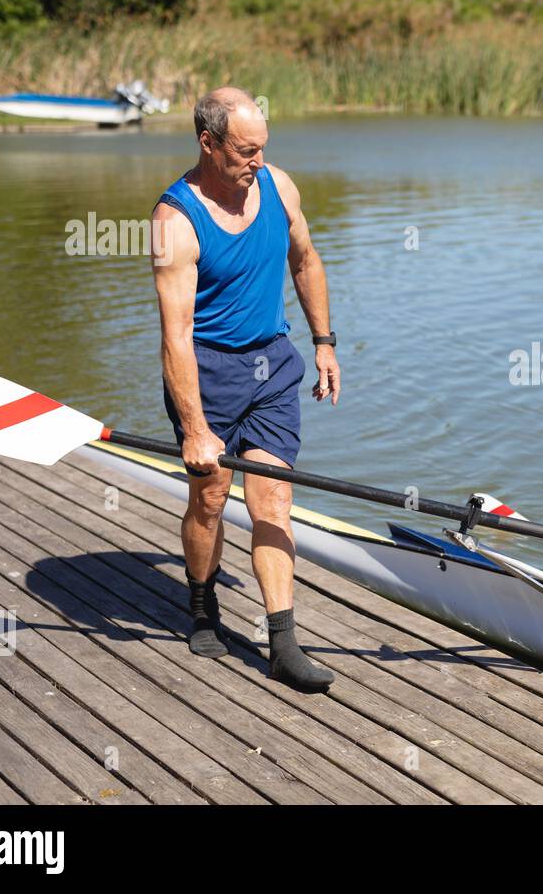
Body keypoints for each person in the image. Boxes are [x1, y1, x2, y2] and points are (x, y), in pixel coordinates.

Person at [150, 86, 340, 693]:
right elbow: (175, 337)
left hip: (272, 367)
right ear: (208, 143)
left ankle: (283, 643)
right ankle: (202, 605)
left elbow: (306, 261)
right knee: (210, 498)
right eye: (245, 150)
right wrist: (197, 428)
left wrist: (324, 341)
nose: (257, 160)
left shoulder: (280, 189)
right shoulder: (174, 222)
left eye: (263, 148)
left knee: (273, 500)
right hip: (205, 374)